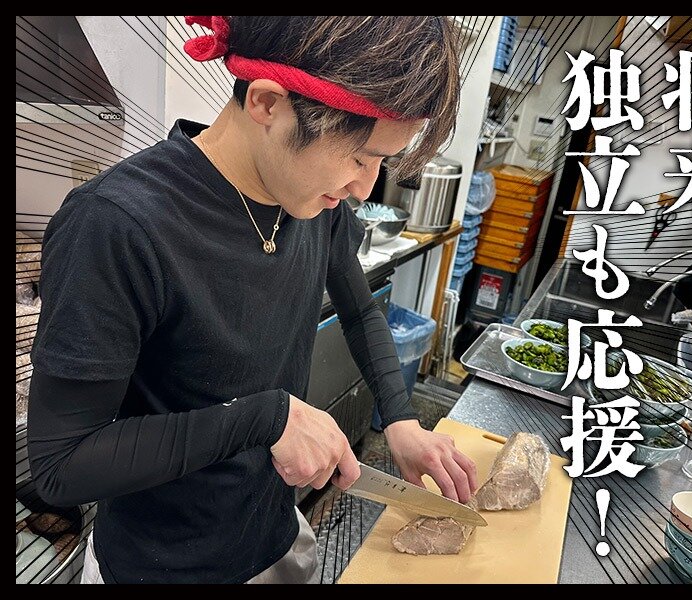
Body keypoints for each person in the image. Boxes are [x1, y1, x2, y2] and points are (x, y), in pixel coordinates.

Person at [27, 16, 477, 584]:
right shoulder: (117, 224)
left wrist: (402, 421)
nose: (365, 188)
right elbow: (62, 464)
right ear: (267, 103)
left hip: (278, 536)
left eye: (382, 162)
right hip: (161, 567)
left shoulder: (313, 202)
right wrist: (265, 418)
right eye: (360, 157)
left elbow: (361, 310)